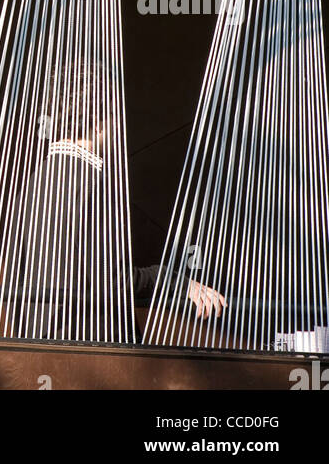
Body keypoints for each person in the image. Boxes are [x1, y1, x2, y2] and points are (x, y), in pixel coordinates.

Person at [20, 57, 225, 333]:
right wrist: (173, 280)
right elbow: (113, 282)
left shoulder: (37, 178)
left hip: (32, 344)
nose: (120, 128)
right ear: (98, 124)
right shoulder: (93, 180)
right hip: (86, 346)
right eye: (116, 116)